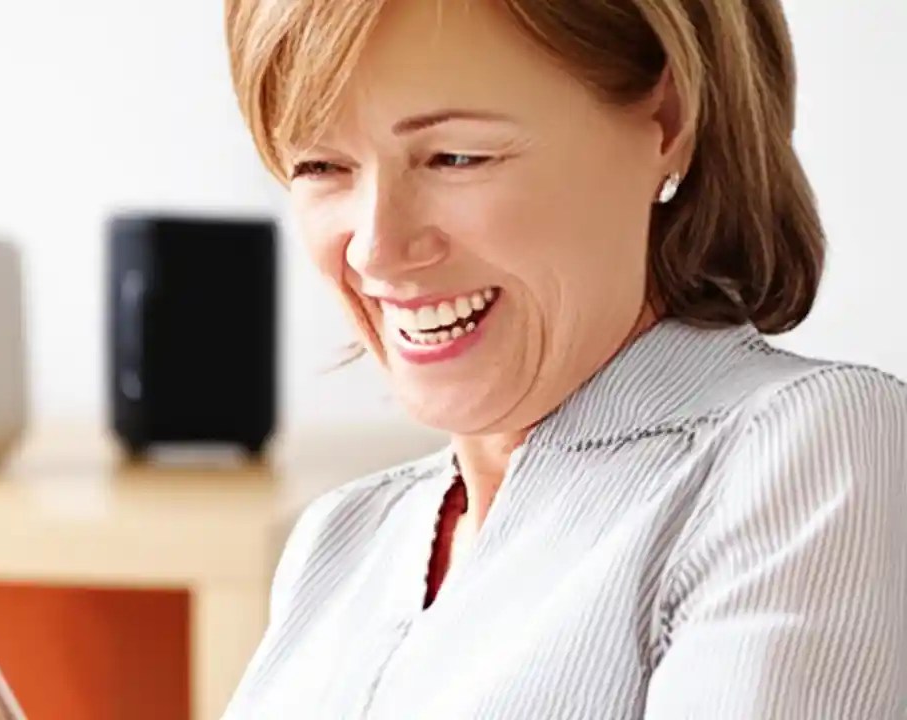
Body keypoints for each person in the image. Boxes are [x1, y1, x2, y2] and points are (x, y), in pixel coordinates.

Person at [218, 0, 907, 718]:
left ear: (666, 119)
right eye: (322, 165)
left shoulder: (805, 452)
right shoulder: (342, 540)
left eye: (457, 157)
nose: (376, 250)